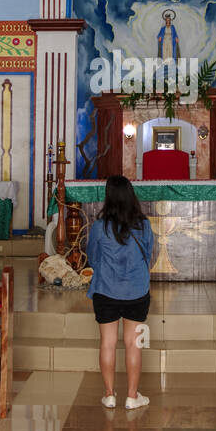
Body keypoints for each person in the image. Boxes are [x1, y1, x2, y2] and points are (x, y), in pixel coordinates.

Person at [85, 175, 154, 409]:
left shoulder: (99, 226)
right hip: (136, 290)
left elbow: (92, 257)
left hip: (106, 289)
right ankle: (133, 396)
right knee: (134, 344)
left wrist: (107, 271)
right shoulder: (143, 225)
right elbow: (149, 254)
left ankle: (109, 394)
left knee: (107, 343)